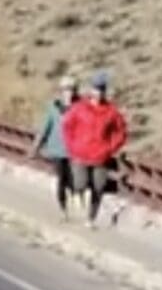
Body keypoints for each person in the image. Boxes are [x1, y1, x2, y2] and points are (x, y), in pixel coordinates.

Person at [61, 71, 128, 229]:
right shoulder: (79, 108)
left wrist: (110, 147)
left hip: (100, 156)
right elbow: (67, 126)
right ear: (91, 90)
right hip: (80, 154)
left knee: (98, 188)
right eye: (96, 89)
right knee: (80, 184)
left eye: (101, 90)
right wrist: (71, 146)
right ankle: (76, 202)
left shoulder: (111, 111)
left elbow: (121, 131)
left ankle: (90, 219)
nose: (98, 93)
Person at [29, 75, 78, 221]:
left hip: (74, 151)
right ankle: (63, 210)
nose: (69, 93)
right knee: (62, 179)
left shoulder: (79, 108)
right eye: (66, 90)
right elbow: (45, 128)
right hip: (57, 151)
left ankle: (75, 205)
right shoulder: (53, 108)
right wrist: (35, 147)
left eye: (71, 90)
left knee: (73, 179)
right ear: (61, 92)